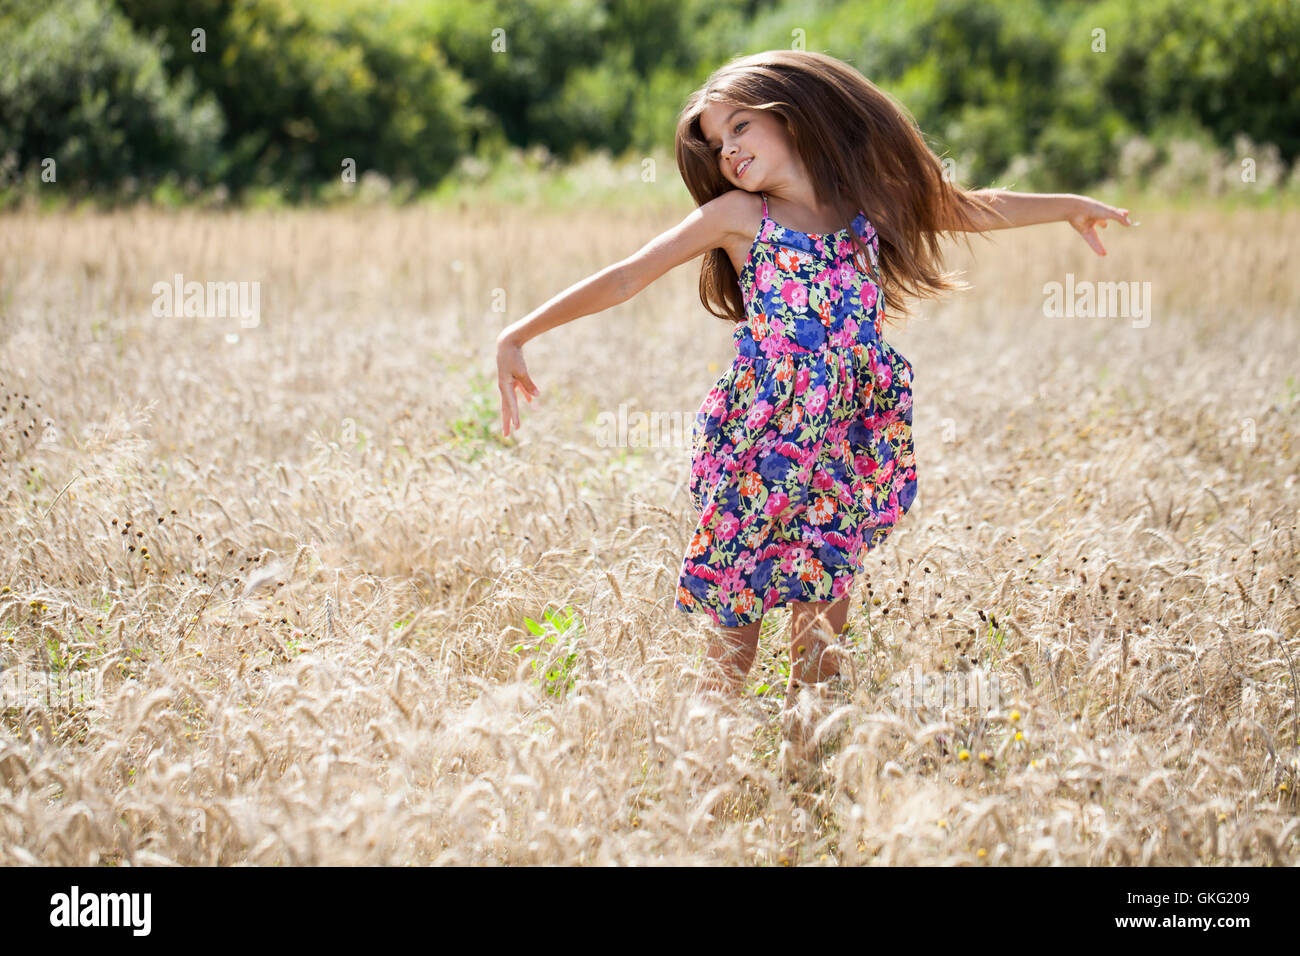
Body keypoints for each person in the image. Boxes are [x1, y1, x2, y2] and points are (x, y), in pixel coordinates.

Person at [495, 49, 1132, 761]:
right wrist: (519, 333)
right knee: (734, 630)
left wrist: (1070, 206)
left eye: (740, 126)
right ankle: (703, 781)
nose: (729, 149)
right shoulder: (739, 215)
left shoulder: (864, 201)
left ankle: (806, 782)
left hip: (843, 441)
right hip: (760, 442)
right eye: (716, 142)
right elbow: (625, 278)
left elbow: (968, 206)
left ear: (789, 113)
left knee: (821, 639)